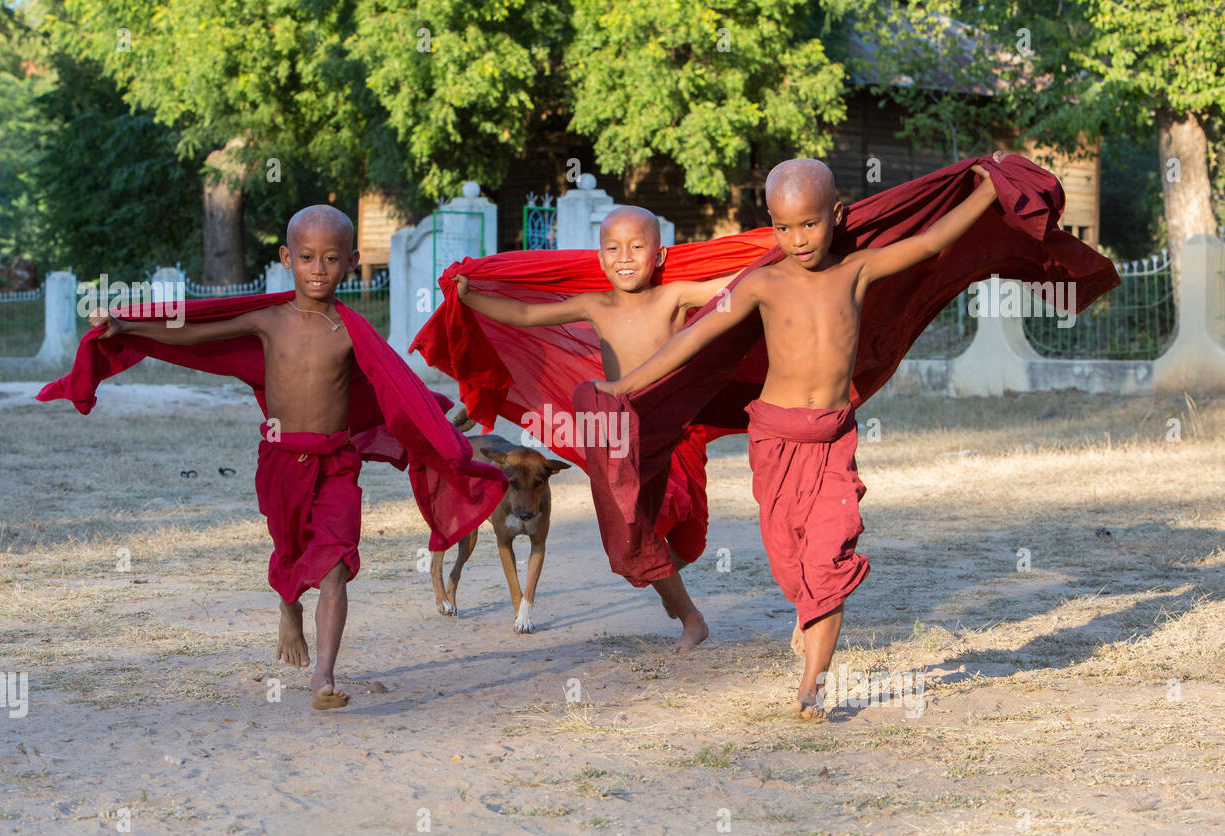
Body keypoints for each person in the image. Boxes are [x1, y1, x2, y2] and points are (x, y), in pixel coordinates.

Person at [598, 159, 1001, 717]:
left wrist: (987, 190)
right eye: (783, 228)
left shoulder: (857, 271)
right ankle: (806, 611)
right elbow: (693, 339)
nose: (797, 239)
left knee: (829, 555)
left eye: (809, 225)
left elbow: (932, 241)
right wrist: (625, 384)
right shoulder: (762, 283)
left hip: (833, 439)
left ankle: (812, 683)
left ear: (835, 216)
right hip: (774, 441)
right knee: (790, 559)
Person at [90, 205, 387, 710]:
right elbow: (193, 332)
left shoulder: (354, 332)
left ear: (353, 261)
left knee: (335, 564)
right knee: (290, 548)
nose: (319, 269)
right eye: (308, 257)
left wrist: (439, 421)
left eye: (332, 258)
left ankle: (324, 677)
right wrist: (126, 325)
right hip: (280, 459)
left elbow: (393, 391)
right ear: (286, 257)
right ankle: (289, 605)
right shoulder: (268, 320)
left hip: (336, 461)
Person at [454, 206, 735, 651]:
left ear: (659, 255)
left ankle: (667, 584)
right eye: (613, 248)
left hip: (678, 433)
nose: (625, 256)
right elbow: (526, 315)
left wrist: (782, 265)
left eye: (637, 246)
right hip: (622, 439)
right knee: (634, 533)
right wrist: (470, 300)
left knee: (690, 535)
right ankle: (690, 617)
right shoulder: (595, 305)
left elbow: (734, 287)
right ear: (600, 259)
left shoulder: (674, 296)